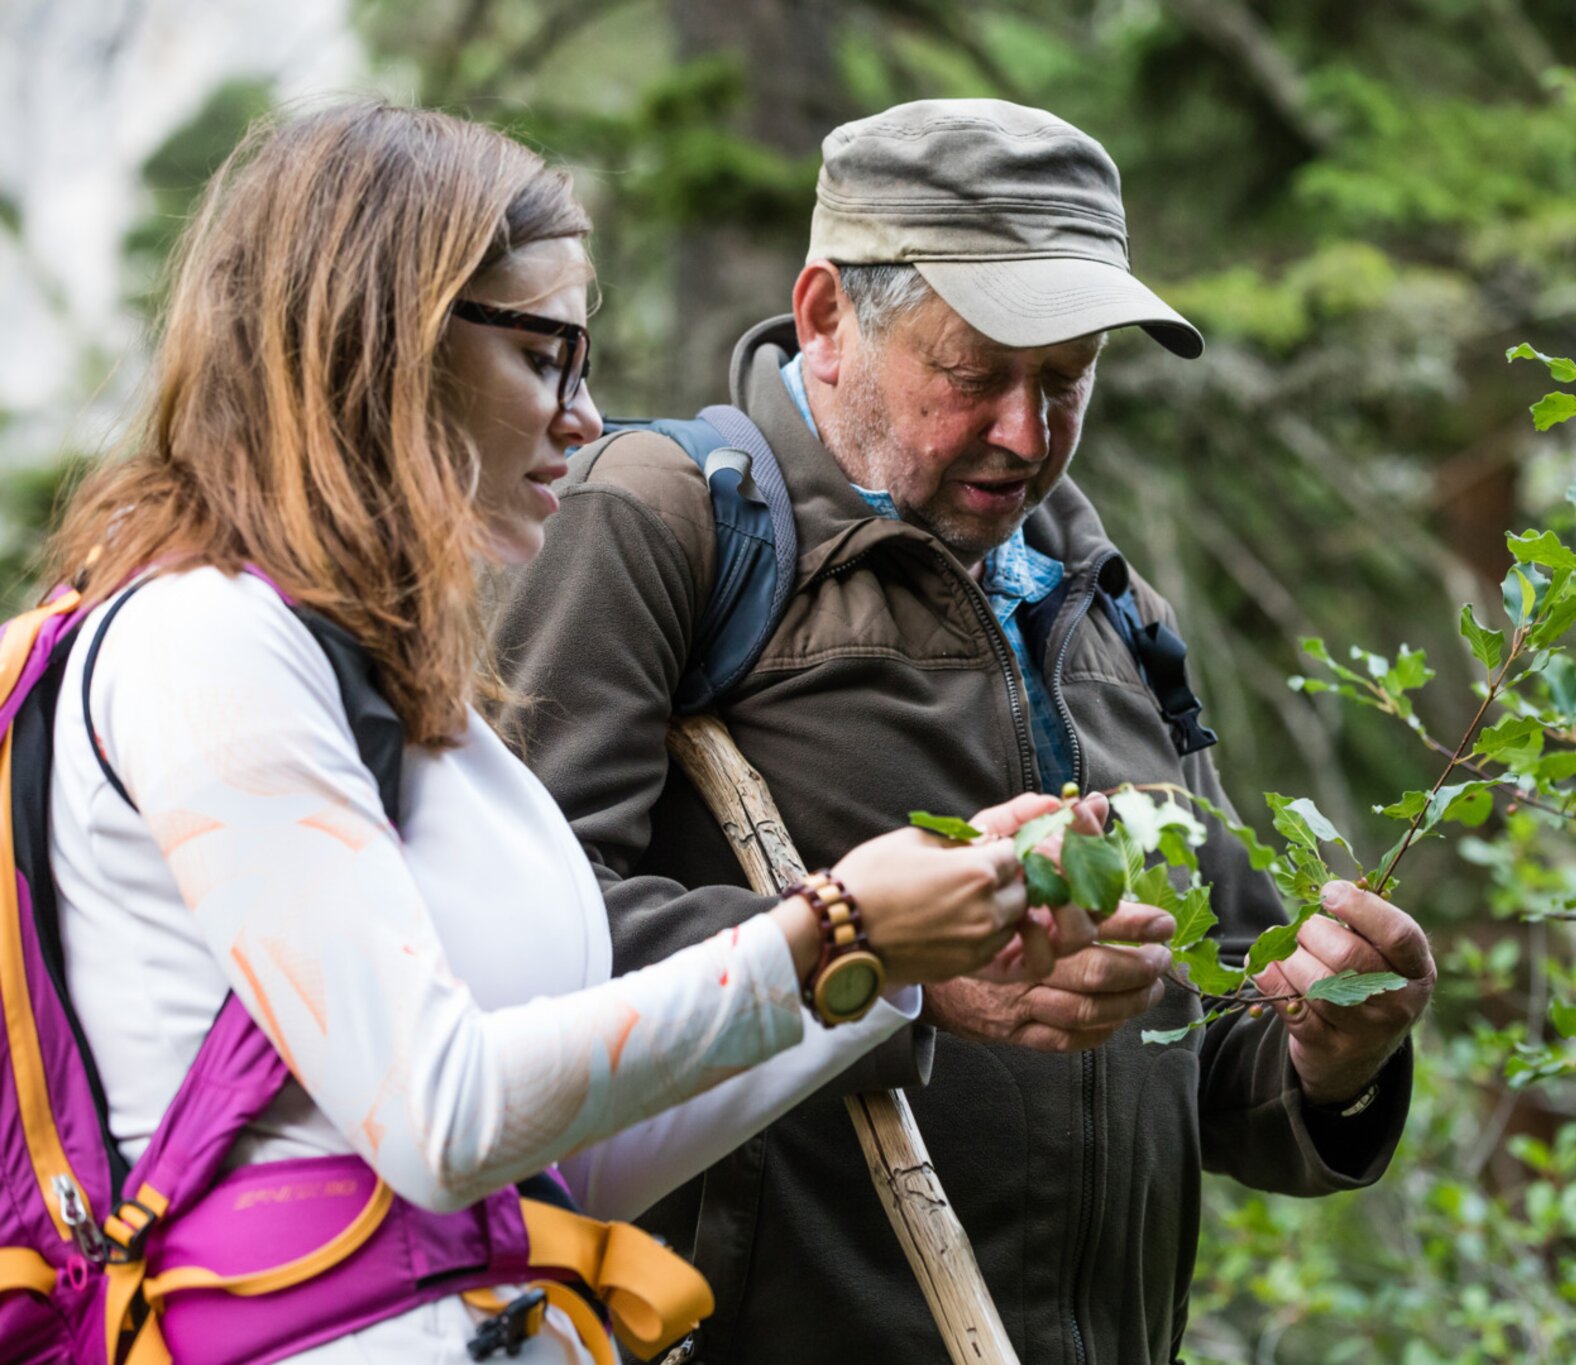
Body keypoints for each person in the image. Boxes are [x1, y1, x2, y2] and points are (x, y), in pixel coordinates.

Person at [36, 99, 1078, 1362]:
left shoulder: (424, 717)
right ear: (383, 342)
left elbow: (568, 1173)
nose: (584, 419)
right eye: (546, 359)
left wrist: (890, 965)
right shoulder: (202, 642)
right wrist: (829, 930)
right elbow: (437, 1121)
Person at [492, 98, 1438, 1364]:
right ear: (827, 318)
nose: (1025, 435)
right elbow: (519, 951)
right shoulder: (657, 525)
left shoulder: (1112, 608)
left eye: (1065, 381)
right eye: (975, 372)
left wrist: (1331, 1051)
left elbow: (1202, 1052)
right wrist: (889, 971)